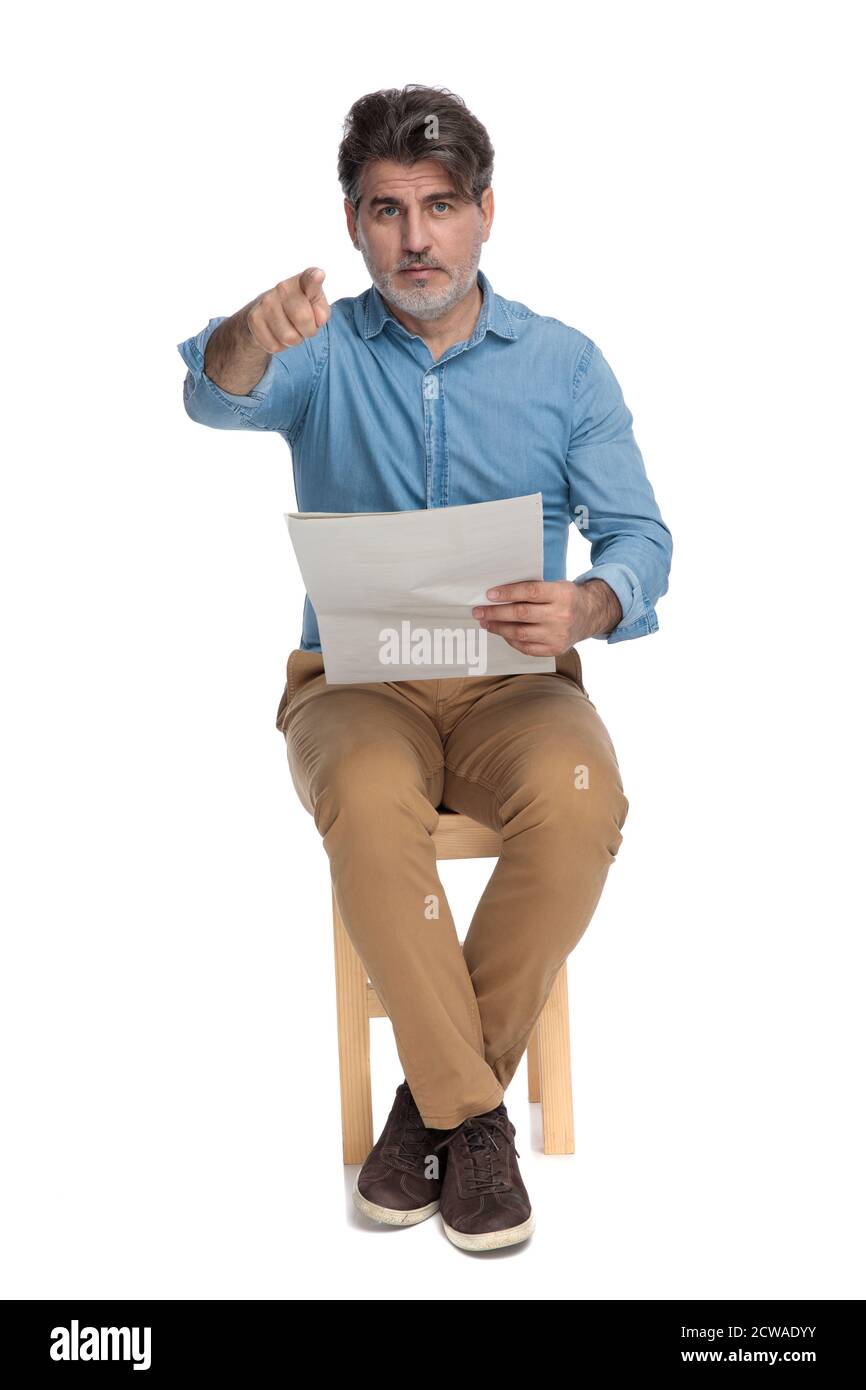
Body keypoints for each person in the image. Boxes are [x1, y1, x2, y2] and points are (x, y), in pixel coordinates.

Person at [176, 84, 672, 1253]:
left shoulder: (564, 364)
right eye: (387, 210)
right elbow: (210, 393)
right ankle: (477, 1121)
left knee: (581, 796)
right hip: (357, 684)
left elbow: (639, 537)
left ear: (485, 212)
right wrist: (249, 330)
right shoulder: (314, 349)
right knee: (362, 793)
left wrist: (591, 601)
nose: (415, 238)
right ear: (353, 223)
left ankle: (430, 1114)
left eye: (439, 206)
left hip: (516, 688)